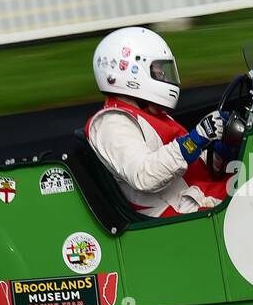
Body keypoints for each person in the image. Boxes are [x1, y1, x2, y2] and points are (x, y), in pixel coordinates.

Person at [85, 27, 230, 217]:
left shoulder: (149, 113)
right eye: (157, 70)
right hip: (184, 213)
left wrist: (218, 152)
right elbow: (144, 176)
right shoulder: (111, 124)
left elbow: (186, 167)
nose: (163, 75)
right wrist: (194, 140)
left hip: (200, 195)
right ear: (130, 72)